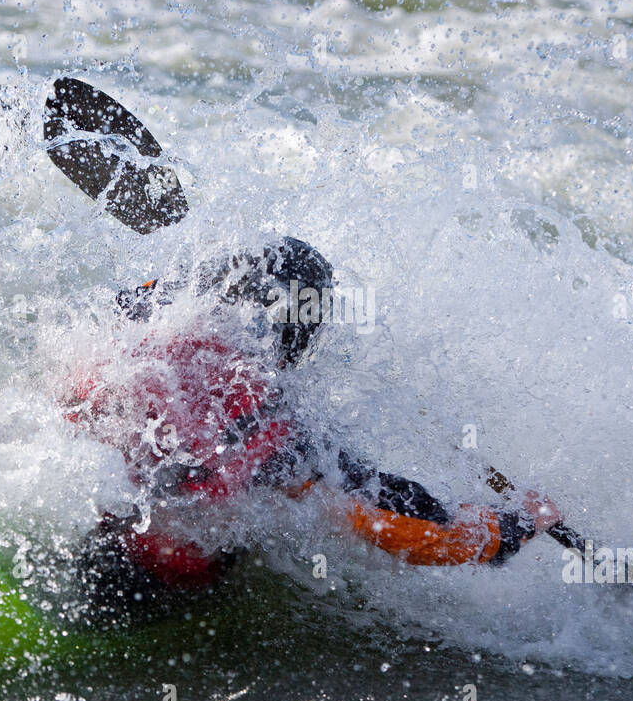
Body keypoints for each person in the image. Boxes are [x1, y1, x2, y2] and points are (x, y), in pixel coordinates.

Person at [57, 236, 563, 618]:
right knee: (286, 497)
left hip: (64, 537)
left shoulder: (128, 329)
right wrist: (517, 525)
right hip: (153, 590)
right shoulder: (274, 424)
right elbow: (405, 527)